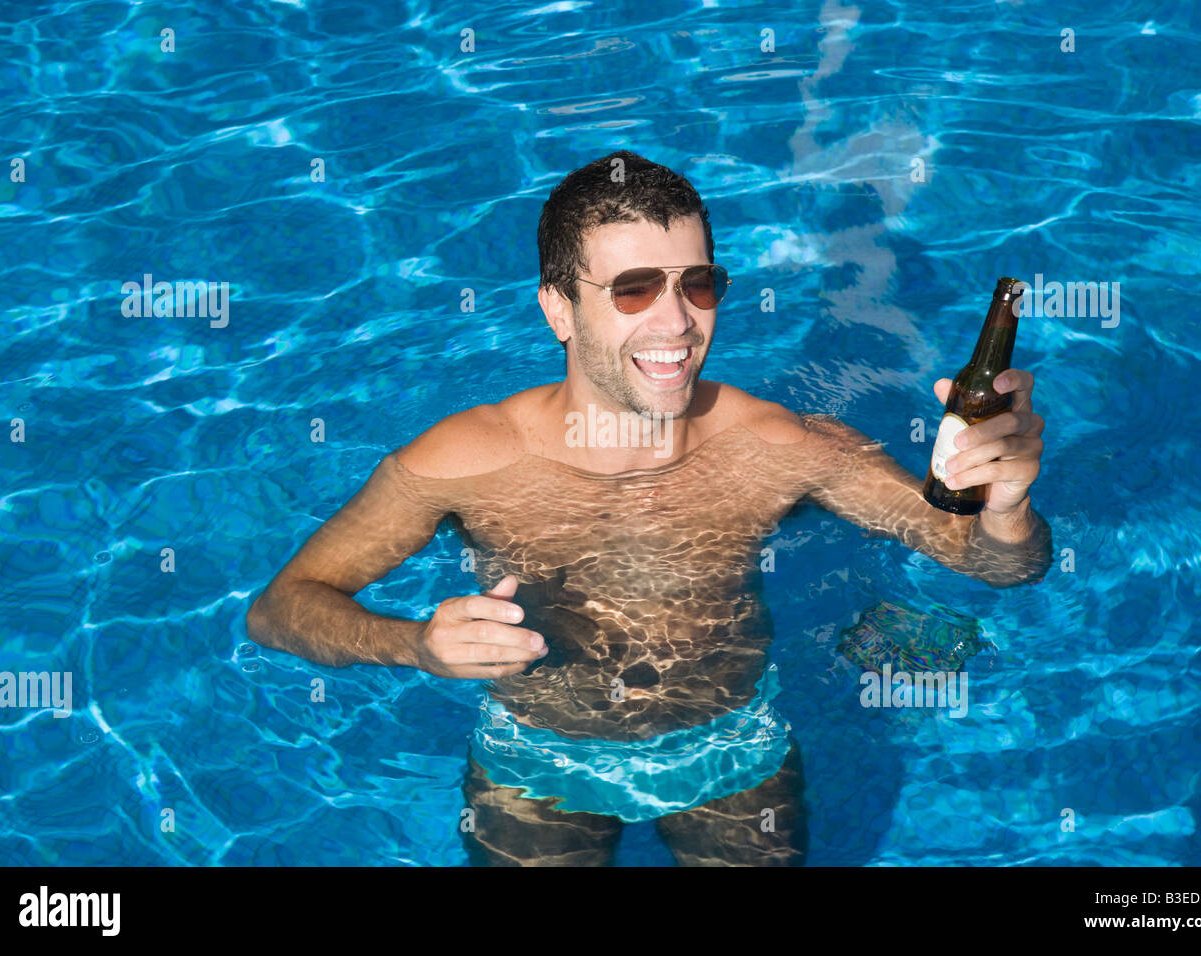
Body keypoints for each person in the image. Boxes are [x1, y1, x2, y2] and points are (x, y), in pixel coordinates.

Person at [246, 149, 1051, 866]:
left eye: (697, 283)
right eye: (633, 289)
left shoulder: (782, 446)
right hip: (540, 757)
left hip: (731, 749)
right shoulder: (468, 459)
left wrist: (1007, 506)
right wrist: (416, 645)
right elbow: (281, 610)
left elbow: (994, 565)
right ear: (558, 309)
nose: (676, 321)